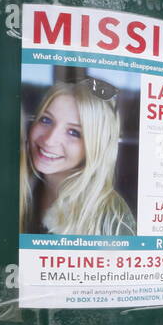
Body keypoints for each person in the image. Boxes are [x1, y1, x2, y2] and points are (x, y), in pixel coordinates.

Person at [20, 80, 135, 235]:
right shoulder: (21, 185)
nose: (49, 139)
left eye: (74, 132)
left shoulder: (112, 218)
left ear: (95, 146)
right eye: (46, 120)